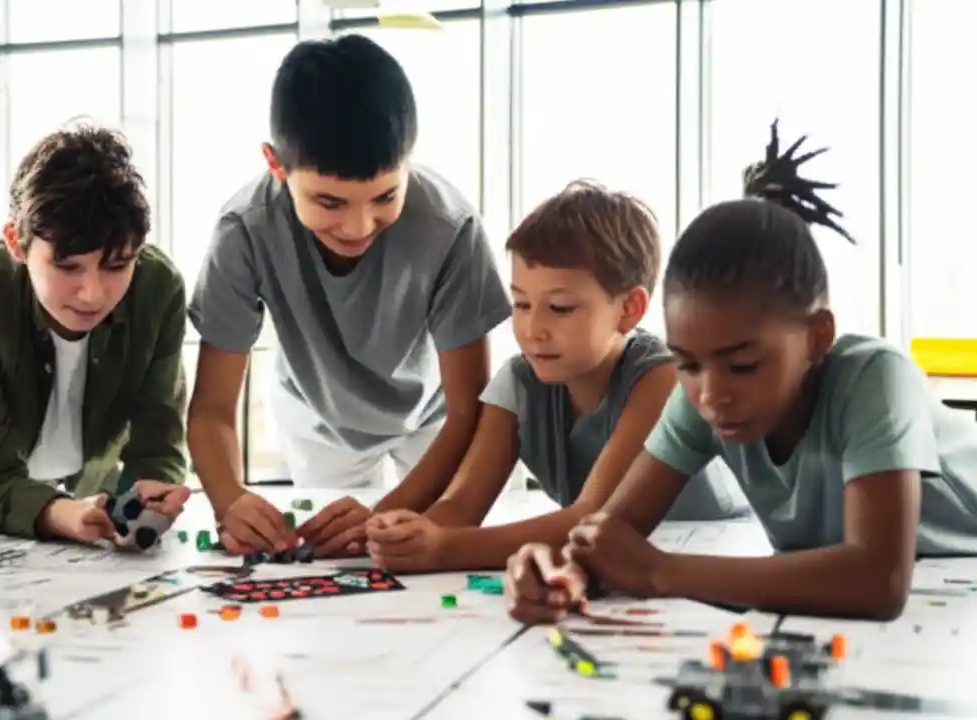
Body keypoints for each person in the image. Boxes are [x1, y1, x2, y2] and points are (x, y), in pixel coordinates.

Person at [504, 122, 977, 622]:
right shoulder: (702, 396)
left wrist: (663, 572)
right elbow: (610, 537)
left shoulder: (876, 380)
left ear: (818, 335)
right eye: (687, 364)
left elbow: (877, 581)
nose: (711, 395)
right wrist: (559, 575)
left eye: (744, 365)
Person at [186, 34, 509, 558]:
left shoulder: (451, 227)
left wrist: (386, 515)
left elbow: (468, 409)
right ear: (275, 164)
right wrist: (230, 501)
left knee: (420, 549)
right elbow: (213, 407)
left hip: (437, 419)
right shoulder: (243, 229)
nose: (358, 226)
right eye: (329, 202)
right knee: (334, 557)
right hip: (319, 419)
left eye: (385, 196)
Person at [366, 182, 743, 572]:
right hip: (615, 567)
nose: (533, 330)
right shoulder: (518, 382)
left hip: (715, 553)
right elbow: (460, 506)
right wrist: (396, 533)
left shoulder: (660, 378)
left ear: (629, 309)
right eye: (521, 304)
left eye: (560, 308)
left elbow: (592, 517)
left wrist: (444, 547)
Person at [0, 123, 189, 544]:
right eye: (67, 267)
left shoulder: (157, 288)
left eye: (117, 266)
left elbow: (158, 442)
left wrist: (153, 492)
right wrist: (61, 514)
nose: (93, 293)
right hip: (5, 523)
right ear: (16, 242)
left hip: (101, 503)